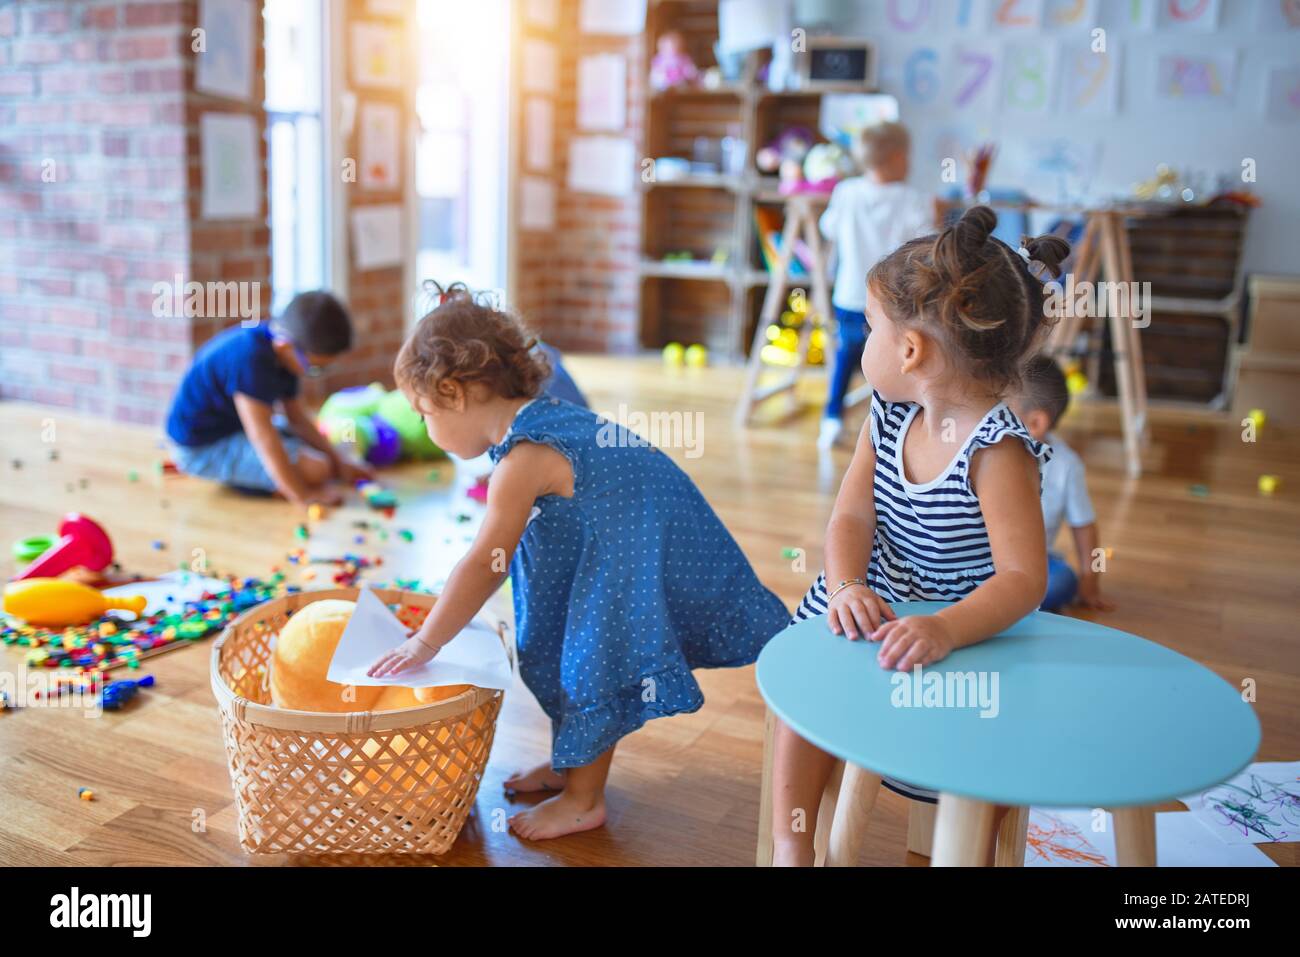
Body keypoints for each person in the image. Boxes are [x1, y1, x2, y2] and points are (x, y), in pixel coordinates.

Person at [367, 285, 788, 841]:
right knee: (557, 648)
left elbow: (485, 562)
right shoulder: (543, 414)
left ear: (453, 392)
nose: (427, 430)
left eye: (425, 414)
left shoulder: (523, 456)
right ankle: (571, 767)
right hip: (617, 540)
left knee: (592, 665)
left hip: (633, 549)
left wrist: (425, 642)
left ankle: (584, 800)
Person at [773, 207, 1069, 865]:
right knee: (807, 677)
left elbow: (1024, 578)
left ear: (911, 351)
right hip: (873, 595)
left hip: (963, 621)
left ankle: (957, 850)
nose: (863, 339)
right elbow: (850, 517)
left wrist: (946, 627)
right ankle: (794, 844)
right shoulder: (886, 411)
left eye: (871, 327)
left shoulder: (999, 450)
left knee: (979, 736)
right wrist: (846, 584)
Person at [164, 291, 371, 504]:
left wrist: (339, 462)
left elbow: (297, 419)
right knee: (317, 470)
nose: (312, 374)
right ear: (285, 346)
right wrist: (302, 495)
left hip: (236, 428)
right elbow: (262, 436)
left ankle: (265, 477)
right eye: (314, 369)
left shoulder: (284, 350)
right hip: (200, 449)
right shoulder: (250, 358)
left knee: (324, 461)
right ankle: (257, 482)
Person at [817, 121, 935, 450]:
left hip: (851, 294)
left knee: (846, 354)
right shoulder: (914, 198)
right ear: (897, 157)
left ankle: (831, 418)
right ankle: (883, 428)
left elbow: (828, 228)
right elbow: (925, 244)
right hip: (895, 300)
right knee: (891, 362)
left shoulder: (846, 192)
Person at [1011, 355, 1114, 612]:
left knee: (1062, 581)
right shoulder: (983, 451)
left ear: (1035, 423)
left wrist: (1091, 579)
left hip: (1032, 562)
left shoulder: (1067, 465)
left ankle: (1003, 602)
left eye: (997, 409)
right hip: (975, 560)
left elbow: (1085, 527)